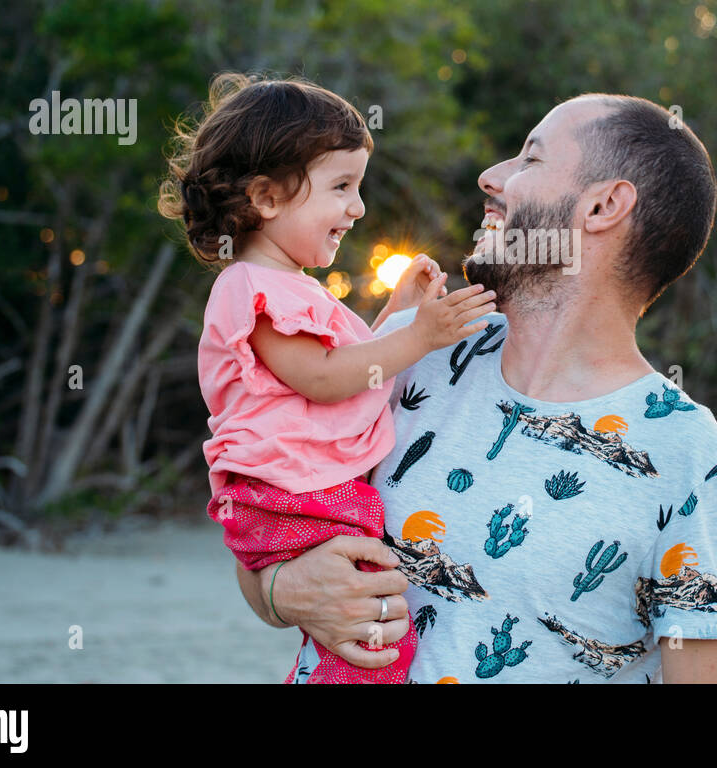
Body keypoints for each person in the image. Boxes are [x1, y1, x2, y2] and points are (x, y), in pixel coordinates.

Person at [236, 93, 717, 683]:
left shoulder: (695, 460)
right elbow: (265, 520)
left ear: (605, 205)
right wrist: (281, 591)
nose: (490, 177)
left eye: (530, 160)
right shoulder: (403, 351)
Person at [158, 73, 499, 683]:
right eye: (341, 186)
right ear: (265, 198)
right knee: (370, 630)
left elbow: (355, 362)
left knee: (365, 625)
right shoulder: (251, 288)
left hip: (307, 494)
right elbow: (322, 379)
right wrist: (421, 335)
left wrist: (399, 312)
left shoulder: (293, 290)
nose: (358, 207)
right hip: (290, 499)